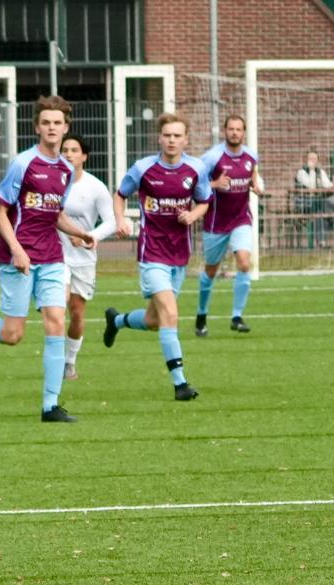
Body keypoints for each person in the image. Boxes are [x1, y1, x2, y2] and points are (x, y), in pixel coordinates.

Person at [0, 96, 96, 423]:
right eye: (46, 122)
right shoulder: (23, 163)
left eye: (58, 123)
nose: (52, 128)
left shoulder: (66, 169)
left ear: (66, 128)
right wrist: (17, 250)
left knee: (56, 320)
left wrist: (79, 234)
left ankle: (50, 406)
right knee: (13, 335)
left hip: (52, 255)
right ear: (37, 126)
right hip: (18, 255)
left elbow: (56, 215)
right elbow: (0, 213)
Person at [104, 111, 211, 402]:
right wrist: (120, 219)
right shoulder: (143, 168)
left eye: (177, 136)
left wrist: (193, 215)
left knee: (154, 320)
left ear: (186, 139)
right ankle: (181, 384)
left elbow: (205, 202)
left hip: (180, 254)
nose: (172, 140)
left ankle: (117, 321)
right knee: (171, 315)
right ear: (159, 138)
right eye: (167, 135)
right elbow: (119, 194)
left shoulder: (196, 169)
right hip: (151, 253)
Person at [198, 116, 263, 336]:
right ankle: (201, 315)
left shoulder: (251, 155)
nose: (235, 133)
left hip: (241, 218)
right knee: (211, 270)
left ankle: (236, 316)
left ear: (244, 132)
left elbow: (252, 173)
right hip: (216, 222)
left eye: (239, 129)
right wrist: (214, 184)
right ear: (224, 131)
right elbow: (193, 181)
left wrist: (255, 183)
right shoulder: (212, 157)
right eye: (231, 129)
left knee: (244, 263)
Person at [57, 134, 115, 380]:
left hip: (83, 258)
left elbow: (111, 222)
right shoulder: (52, 182)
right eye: (65, 150)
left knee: (77, 313)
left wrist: (88, 236)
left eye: (74, 150)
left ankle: (70, 361)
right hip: (55, 256)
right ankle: (55, 362)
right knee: (58, 308)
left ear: (84, 156)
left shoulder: (94, 187)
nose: (69, 154)